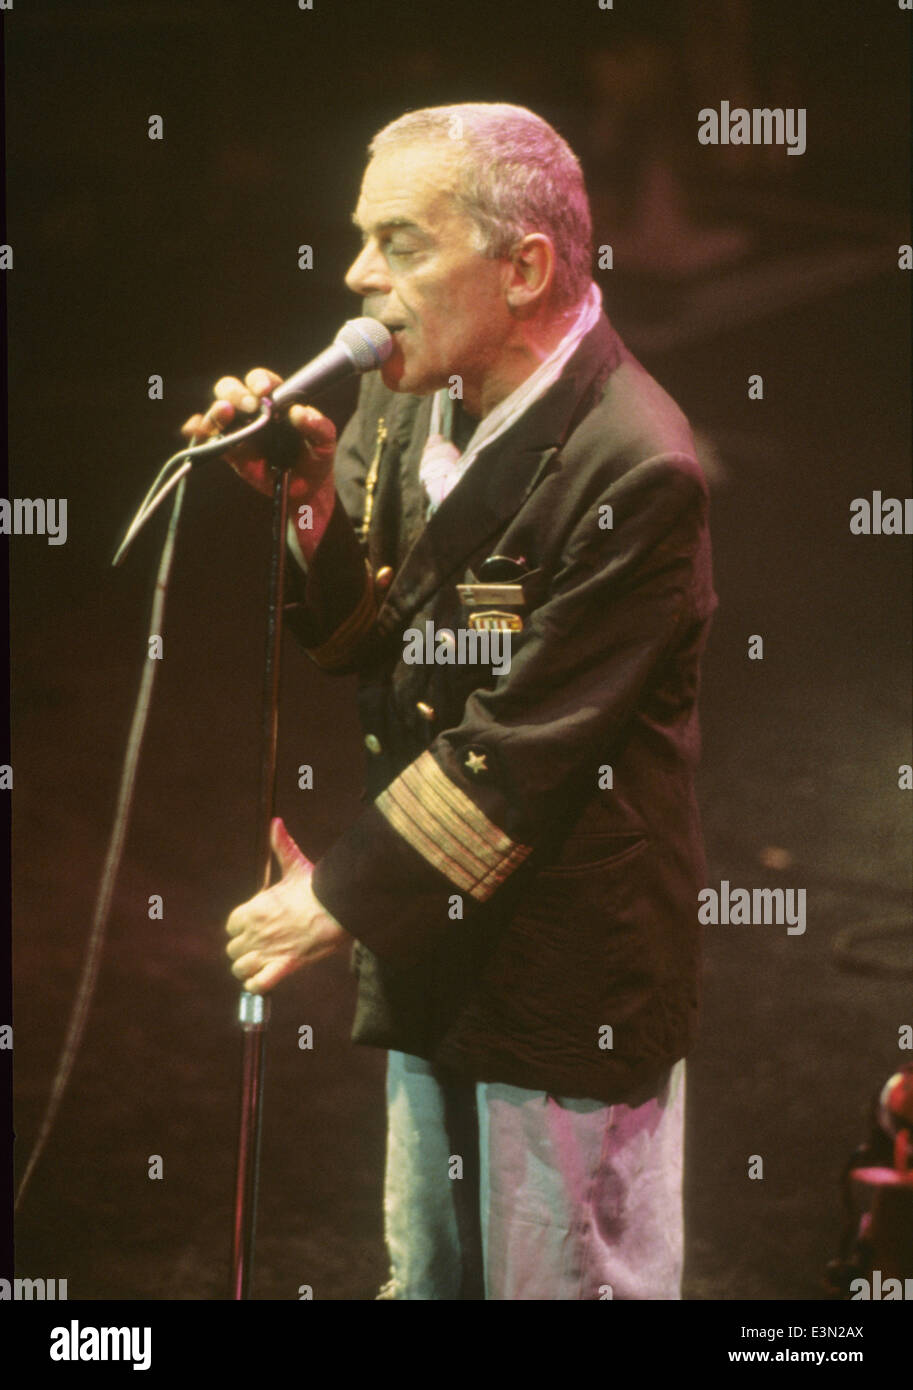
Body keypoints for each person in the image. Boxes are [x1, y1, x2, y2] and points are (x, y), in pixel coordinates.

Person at [183, 102, 717, 1300]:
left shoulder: (636, 465)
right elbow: (369, 641)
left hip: (566, 971)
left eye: (400, 242)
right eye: (360, 238)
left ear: (522, 268)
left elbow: (522, 750)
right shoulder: (409, 392)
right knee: (428, 1274)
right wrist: (307, 504)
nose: (358, 274)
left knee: (557, 1283)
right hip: (435, 931)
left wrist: (337, 893)